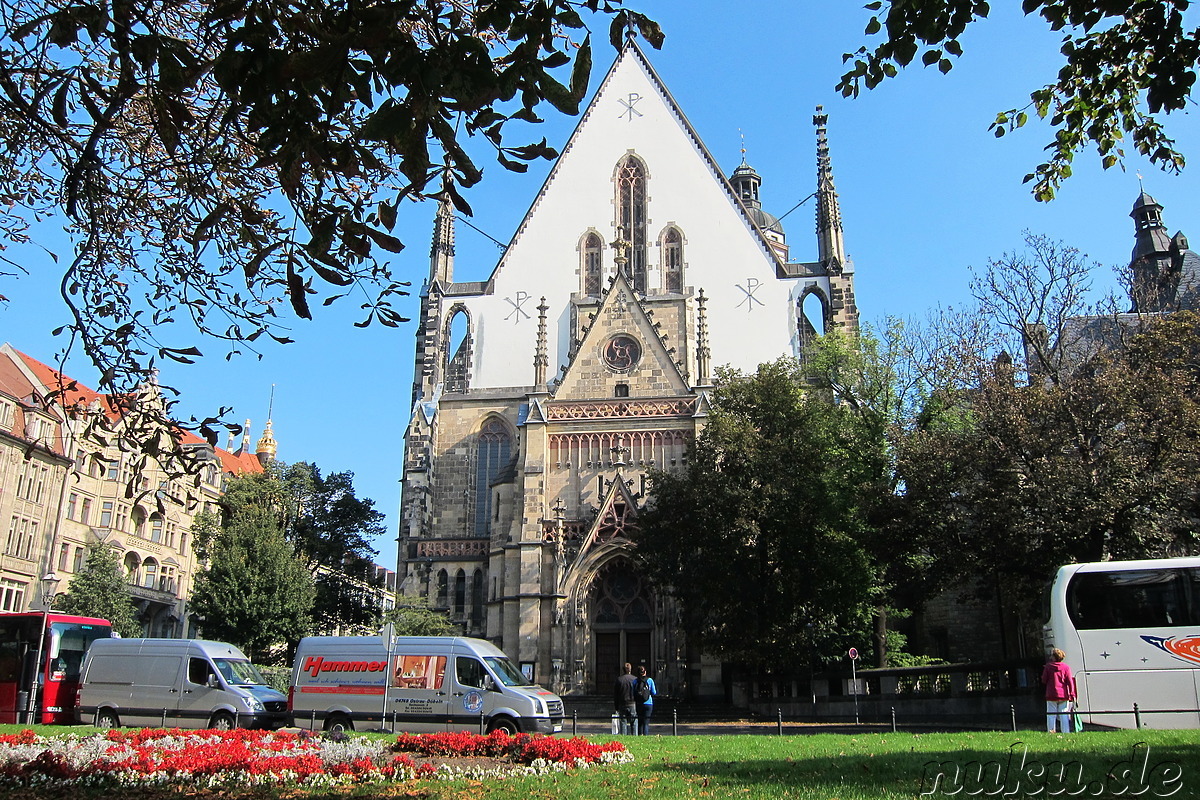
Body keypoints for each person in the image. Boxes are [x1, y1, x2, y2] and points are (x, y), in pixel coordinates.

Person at [1042, 648, 1077, 733]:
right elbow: (1070, 682)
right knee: (1064, 715)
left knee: (1051, 715)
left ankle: (1051, 731)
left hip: (1051, 694)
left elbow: (1044, 680)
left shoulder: (1048, 667)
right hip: (1063, 695)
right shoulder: (1066, 667)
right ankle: (1066, 732)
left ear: (1054, 657)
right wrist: (1072, 694)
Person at [613, 662, 637, 735]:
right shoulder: (635, 679)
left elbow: (616, 694)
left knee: (623, 722)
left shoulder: (619, 680)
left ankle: (623, 736)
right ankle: (634, 736)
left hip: (622, 703)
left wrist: (616, 706)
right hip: (632, 703)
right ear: (630, 669)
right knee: (634, 721)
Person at [634, 664, 657, 735]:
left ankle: (640, 735)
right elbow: (654, 692)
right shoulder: (650, 680)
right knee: (646, 722)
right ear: (645, 672)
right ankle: (645, 735)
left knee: (640, 722)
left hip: (639, 703)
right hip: (648, 703)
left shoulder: (635, 681)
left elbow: (633, 692)